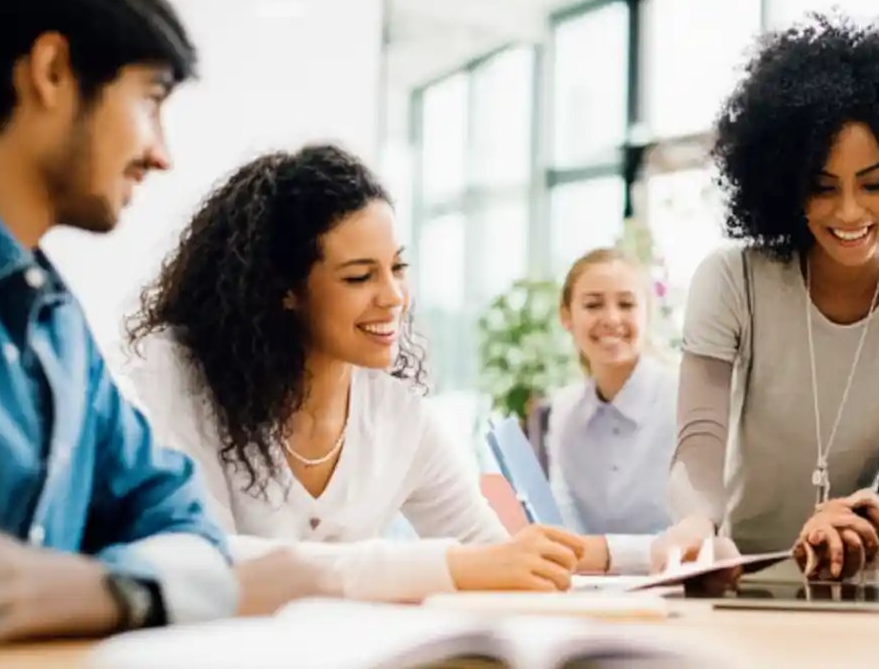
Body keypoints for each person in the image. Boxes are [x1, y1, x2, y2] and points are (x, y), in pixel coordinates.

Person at [123, 145, 585, 612]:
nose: (393, 297)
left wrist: (536, 564)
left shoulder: (397, 411)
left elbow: (487, 554)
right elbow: (205, 559)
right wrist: (446, 567)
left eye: (397, 268)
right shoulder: (179, 376)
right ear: (284, 290)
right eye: (360, 277)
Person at [0, 0, 235, 649]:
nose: (162, 153)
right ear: (52, 72)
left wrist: (107, 591)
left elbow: (189, 527)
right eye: (151, 99)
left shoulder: (59, 330)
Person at [663, 12, 879, 580]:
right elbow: (699, 444)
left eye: (873, 183)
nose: (848, 212)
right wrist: (697, 523)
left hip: (857, 588)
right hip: (737, 574)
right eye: (822, 186)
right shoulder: (732, 279)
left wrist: (860, 520)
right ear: (788, 184)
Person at [547, 247, 678, 574]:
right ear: (566, 316)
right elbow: (564, 523)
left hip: (680, 593)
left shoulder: (685, 401)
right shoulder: (564, 413)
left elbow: (707, 535)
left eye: (626, 304)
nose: (611, 319)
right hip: (588, 595)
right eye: (593, 305)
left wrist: (606, 553)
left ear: (648, 313)